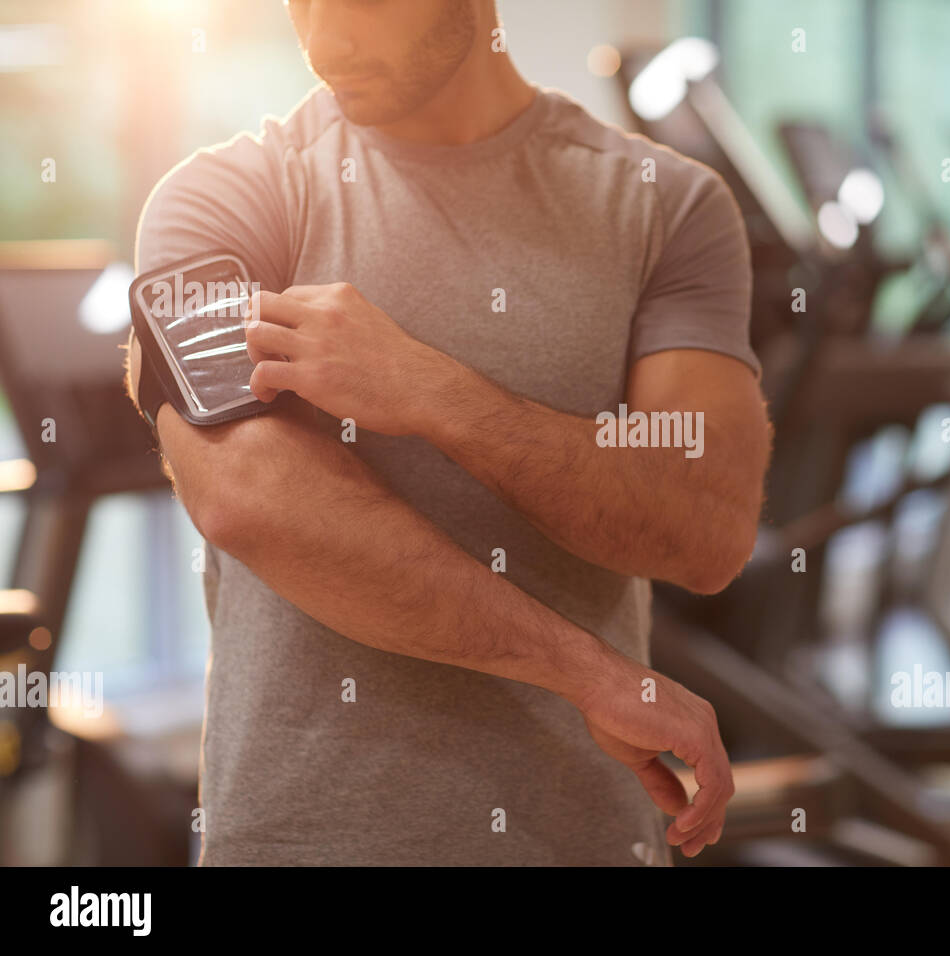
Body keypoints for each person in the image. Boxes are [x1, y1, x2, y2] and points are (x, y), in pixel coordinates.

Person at [124, 0, 770, 865]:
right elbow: (252, 498)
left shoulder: (668, 207)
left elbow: (706, 529)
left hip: (580, 844)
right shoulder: (227, 201)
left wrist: (438, 395)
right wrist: (592, 677)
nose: (325, 39)